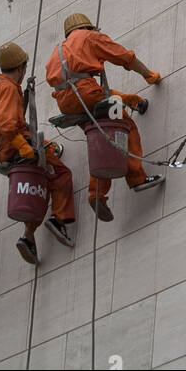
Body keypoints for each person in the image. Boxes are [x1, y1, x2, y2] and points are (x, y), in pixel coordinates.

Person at [46, 14, 163, 221]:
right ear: (88, 27)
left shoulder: (57, 51)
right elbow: (124, 56)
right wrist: (148, 74)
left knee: (101, 140)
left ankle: (96, 193)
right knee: (123, 126)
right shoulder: (89, 37)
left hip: (68, 102)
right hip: (86, 92)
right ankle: (137, 178)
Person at [0, 42, 76, 263]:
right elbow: (7, 124)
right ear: (21, 67)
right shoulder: (7, 88)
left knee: (39, 188)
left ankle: (28, 237)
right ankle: (59, 219)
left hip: (6, 150)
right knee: (62, 174)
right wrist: (25, 147)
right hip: (18, 145)